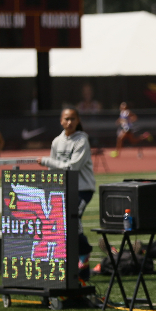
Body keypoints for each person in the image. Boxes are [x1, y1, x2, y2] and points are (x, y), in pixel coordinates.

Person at [37, 108, 96, 279]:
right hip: (63, 188)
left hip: (82, 189)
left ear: (77, 121)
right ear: (61, 121)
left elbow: (72, 167)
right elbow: (52, 168)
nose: (69, 122)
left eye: (72, 119)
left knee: (72, 219)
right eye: (66, 119)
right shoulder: (57, 141)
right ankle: (74, 262)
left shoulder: (81, 141)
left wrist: (47, 161)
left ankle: (84, 252)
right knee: (62, 224)